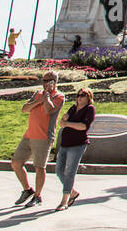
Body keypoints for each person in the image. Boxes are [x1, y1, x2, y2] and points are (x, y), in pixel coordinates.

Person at [11, 70, 65, 208]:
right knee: (16, 163)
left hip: (43, 137)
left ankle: (37, 196)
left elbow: (49, 110)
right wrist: (39, 100)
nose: (44, 83)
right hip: (29, 135)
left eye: (48, 81)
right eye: (43, 80)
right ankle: (28, 190)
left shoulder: (59, 96)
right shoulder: (37, 94)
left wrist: (46, 98)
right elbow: (24, 109)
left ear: (54, 82)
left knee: (39, 167)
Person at [54, 88, 96, 210]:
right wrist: (64, 119)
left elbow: (83, 126)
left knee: (69, 172)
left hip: (77, 145)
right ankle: (72, 192)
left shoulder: (89, 109)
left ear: (88, 97)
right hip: (65, 143)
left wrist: (67, 124)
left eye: (83, 95)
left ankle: (64, 201)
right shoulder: (73, 108)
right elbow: (62, 123)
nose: (79, 98)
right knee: (59, 171)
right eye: (78, 95)